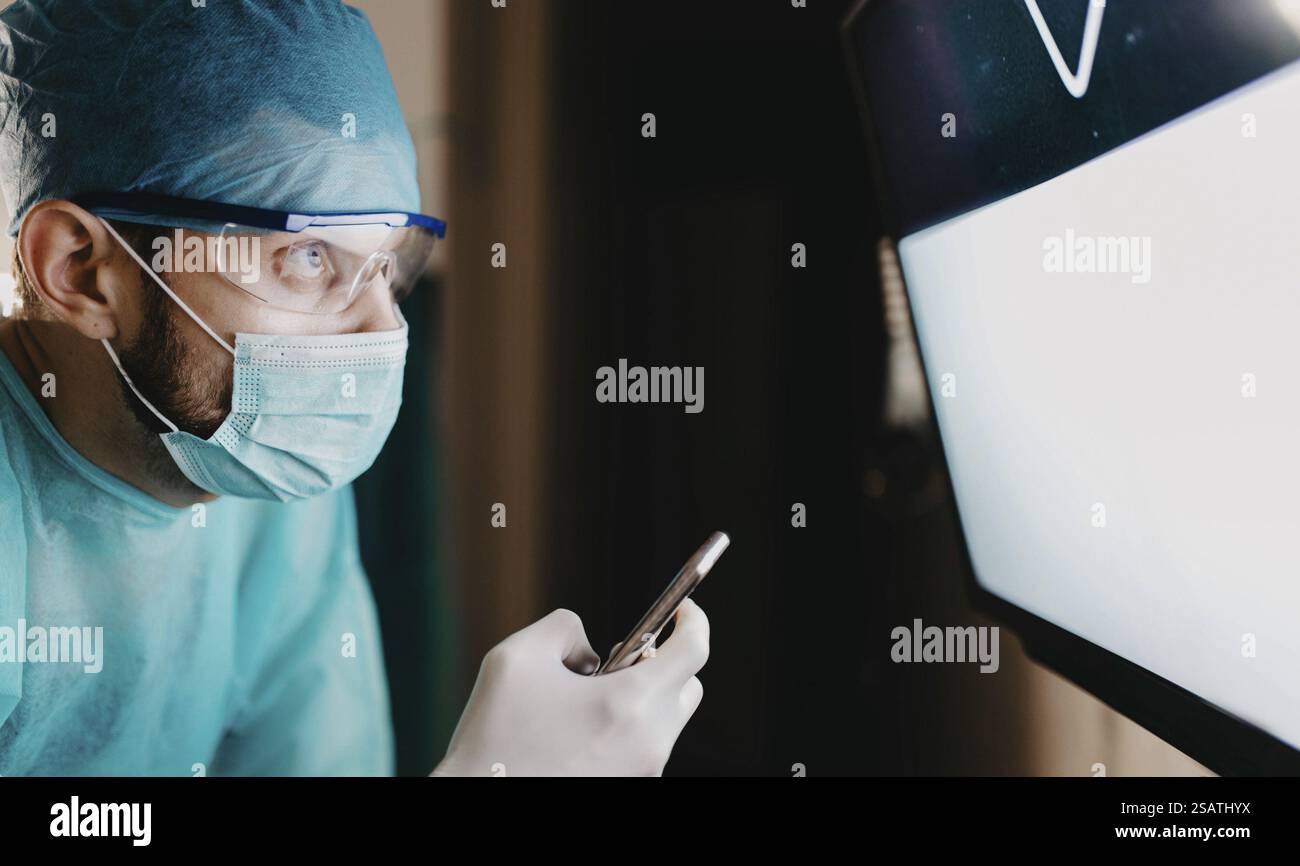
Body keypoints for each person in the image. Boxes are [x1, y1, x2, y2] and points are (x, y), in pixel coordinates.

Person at [0, 0, 708, 776]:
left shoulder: (253, 468)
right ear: (80, 269)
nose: (382, 335)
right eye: (308, 259)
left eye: (386, 265)